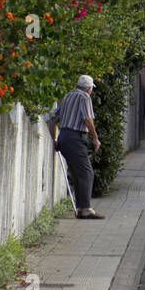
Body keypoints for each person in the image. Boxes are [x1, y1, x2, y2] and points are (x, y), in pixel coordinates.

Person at [47, 75, 104, 220]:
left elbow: (53, 119)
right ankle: (85, 208)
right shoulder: (84, 97)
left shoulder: (67, 96)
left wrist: (54, 139)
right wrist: (95, 138)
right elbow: (87, 118)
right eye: (91, 89)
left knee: (78, 173)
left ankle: (80, 208)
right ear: (89, 88)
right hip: (75, 138)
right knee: (86, 173)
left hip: (64, 137)